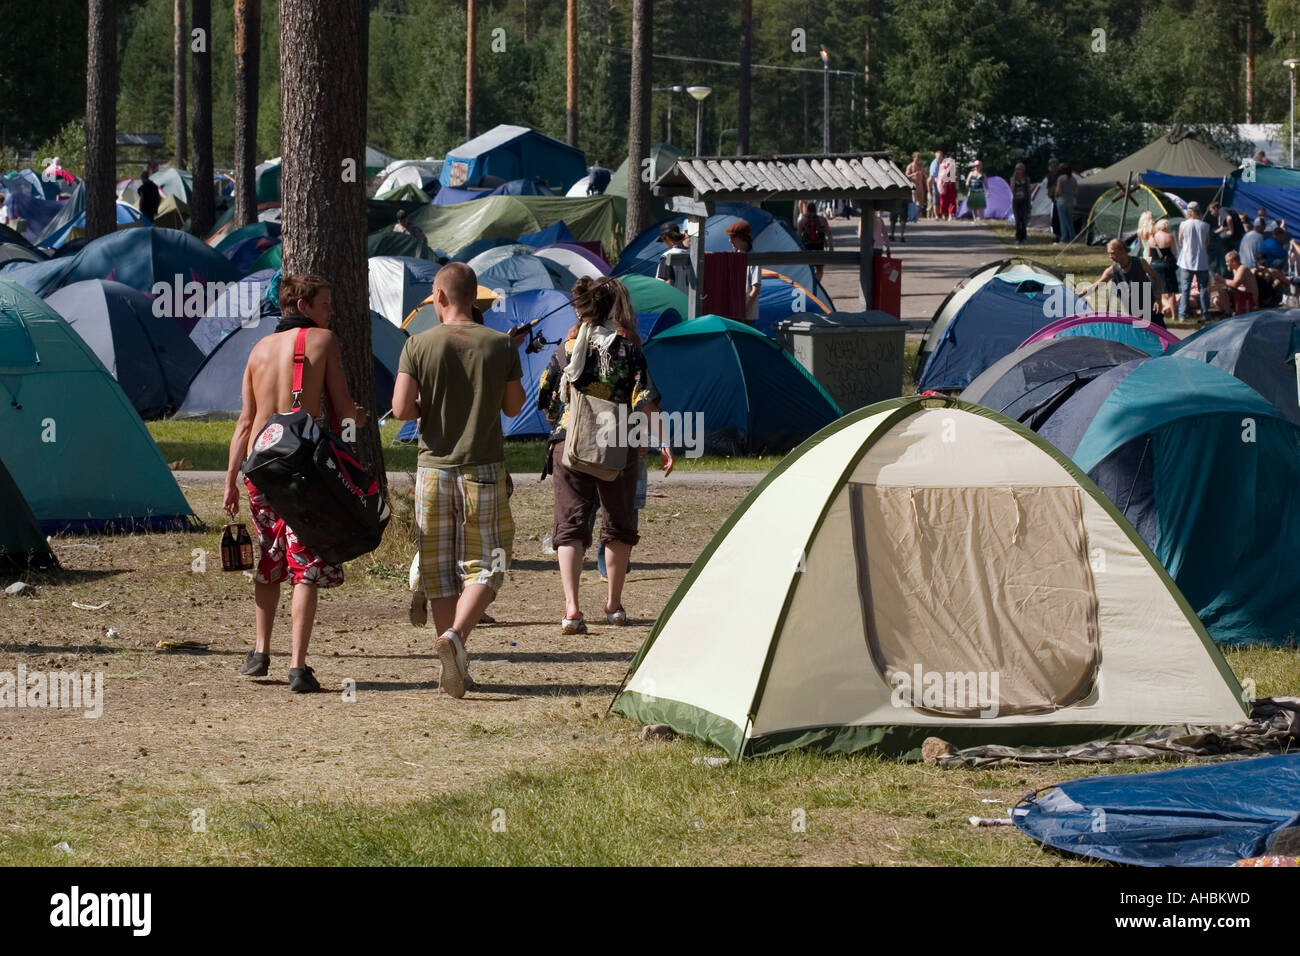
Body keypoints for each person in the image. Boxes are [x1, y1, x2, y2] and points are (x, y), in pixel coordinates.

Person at [223, 275, 368, 693]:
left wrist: (231, 478)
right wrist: (356, 419)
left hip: (258, 470)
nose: (330, 312)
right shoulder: (322, 341)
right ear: (303, 305)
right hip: (301, 470)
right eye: (324, 304)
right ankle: (298, 667)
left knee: (269, 558)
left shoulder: (257, 350)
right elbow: (341, 410)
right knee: (305, 563)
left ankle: (259, 652)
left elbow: (245, 421)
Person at [390, 263, 527, 698]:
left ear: (440, 298)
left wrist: (428, 400)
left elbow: (400, 410)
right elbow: (513, 407)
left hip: (432, 471)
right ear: (474, 298)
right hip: (483, 468)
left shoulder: (417, 344)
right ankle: (456, 640)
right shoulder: (500, 344)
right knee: (488, 563)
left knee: (439, 570)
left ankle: (454, 662)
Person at [536, 277, 673, 635]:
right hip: (618, 443)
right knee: (618, 525)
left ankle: (572, 609)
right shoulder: (627, 346)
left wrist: (561, 419)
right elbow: (643, 398)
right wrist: (665, 441)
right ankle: (613, 605)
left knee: (570, 525)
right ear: (616, 306)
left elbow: (546, 391)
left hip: (570, 443)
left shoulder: (568, 345)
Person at [1083, 239, 1163, 327]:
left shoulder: (1140, 263)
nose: (1110, 256)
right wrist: (1079, 295)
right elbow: (1096, 285)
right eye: (1109, 253)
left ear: (1122, 251)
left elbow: (1157, 278)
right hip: (1132, 311)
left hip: (1149, 308)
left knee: (1161, 337)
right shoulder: (1111, 271)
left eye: (1112, 253)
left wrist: (1158, 298)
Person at [1177, 202, 1211, 320]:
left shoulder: (1183, 224)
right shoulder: (1205, 225)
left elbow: (1180, 240)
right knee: (1203, 289)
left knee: (1185, 289)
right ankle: (1205, 314)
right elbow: (1207, 243)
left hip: (1186, 260)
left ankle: (1182, 315)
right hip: (1201, 260)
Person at [726, 220, 762, 323]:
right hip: (732, 312)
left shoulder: (753, 259)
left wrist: (744, 309)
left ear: (742, 238)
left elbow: (756, 288)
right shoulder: (733, 255)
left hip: (746, 316)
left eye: (732, 237)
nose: (729, 240)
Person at [1148, 218, 1179, 321]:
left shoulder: (1151, 238)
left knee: (1157, 291)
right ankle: (1174, 316)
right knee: (1171, 292)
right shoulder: (1169, 237)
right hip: (1166, 266)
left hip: (1154, 265)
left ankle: (1159, 312)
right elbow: (1174, 252)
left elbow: (1148, 255)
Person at [795, 200, 832, 281]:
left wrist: (797, 248)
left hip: (807, 246)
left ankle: (811, 284)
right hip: (819, 246)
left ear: (807, 209)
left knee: (808, 269)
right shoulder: (822, 219)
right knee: (819, 270)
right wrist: (831, 247)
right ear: (815, 209)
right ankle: (817, 283)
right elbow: (829, 233)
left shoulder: (802, 220)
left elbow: (798, 235)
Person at [654, 222, 693, 297]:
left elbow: (668, 283)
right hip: (688, 302)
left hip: (673, 304)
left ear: (666, 238)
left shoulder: (666, 257)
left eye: (663, 240)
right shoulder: (692, 254)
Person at [1054, 164, 1078, 243]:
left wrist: (1056, 196)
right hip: (1070, 201)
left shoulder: (1061, 178)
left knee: (1063, 221)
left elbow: (1058, 190)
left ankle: (1064, 238)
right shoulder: (1074, 179)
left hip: (1062, 200)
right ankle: (1072, 237)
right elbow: (1076, 192)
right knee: (1069, 220)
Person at [1010, 162, 1032, 244]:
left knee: (1024, 220)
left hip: (1024, 201)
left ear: (1023, 170)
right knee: (1017, 220)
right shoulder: (1013, 179)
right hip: (1016, 201)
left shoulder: (1027, 179)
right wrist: (1014, 178)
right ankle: (1017, 237)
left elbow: (1029, 191)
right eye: (1017, 169)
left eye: (1020, 169)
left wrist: (1030, 201)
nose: (1019, 171)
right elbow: (1011, 189)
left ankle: (1024, 237)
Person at [906, 151, 928, 220]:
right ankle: (913, 215)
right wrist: (914, 174)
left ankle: (918, 214)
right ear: (914, 158)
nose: (918, 159)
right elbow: (907, 175)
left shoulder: (920, 166)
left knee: (920, 200)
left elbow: (924, 175)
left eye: (919, 157)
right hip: (913, 184)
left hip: (920, 184)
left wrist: (925, 184)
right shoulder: (910, 166)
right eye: (917, 157)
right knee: (914, 199)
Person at [937, 153, 959, 220]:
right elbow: (940, 176)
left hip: (951, 186)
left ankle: (950, 215)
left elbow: (956, 176)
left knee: (952, 201)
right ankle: (944, 215)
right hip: (943, 186)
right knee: (943, 201)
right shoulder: (942, 166)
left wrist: (955, 177)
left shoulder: (954, 167)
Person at [1046, 158, 1062, 242]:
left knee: (1059, 218)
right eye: (1051, 165)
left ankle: (1059, 235)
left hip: (1060, 198)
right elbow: (1048, 186)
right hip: (1054, 199)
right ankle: (1056, 235)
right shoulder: (1050, 175)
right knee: (1054, 218)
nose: (1053, 167)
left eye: (1054, 165)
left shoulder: (1060, 175)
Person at [928, 150, 943, 220]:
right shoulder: (934, 164)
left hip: (941, 183)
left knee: (941, 199)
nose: (940, 158)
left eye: (941, 157)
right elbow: (934, 177)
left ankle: (941, 214)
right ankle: (936, 215)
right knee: (935, 199)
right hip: (935, 183)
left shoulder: (942, 163)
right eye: (938, 157)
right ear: (936, 157)